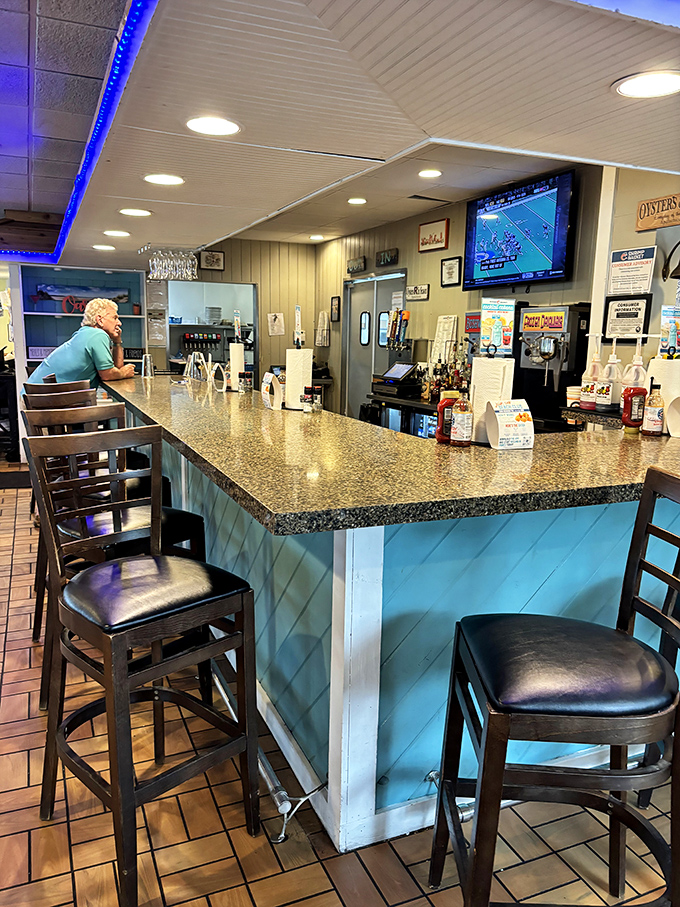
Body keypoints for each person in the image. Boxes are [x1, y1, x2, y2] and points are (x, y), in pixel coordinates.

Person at [29, 298, 136, 387]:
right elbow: (108, 375)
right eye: (115, 318)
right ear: (100, 320)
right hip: (43, 400)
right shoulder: (97, 335)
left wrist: (117, 342)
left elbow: (114, 370)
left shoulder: (86, 333)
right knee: (115, 411)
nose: (119, 323)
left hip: (37, 396)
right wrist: (123, 373)